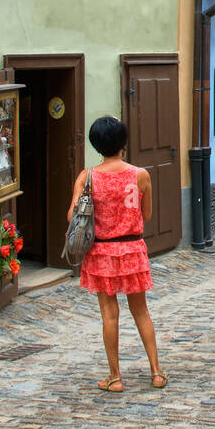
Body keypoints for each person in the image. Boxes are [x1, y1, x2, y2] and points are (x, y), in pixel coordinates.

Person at [69, 116, 165, 393]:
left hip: (101, 252)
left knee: (110, 316)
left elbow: (72, 218)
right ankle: (156, 372)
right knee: (141, 312)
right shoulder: (140, 175)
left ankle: (115, 377)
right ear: (124, 142)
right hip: (132, 248)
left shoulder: (87, 177)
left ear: (96, 145)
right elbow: (145, 214)